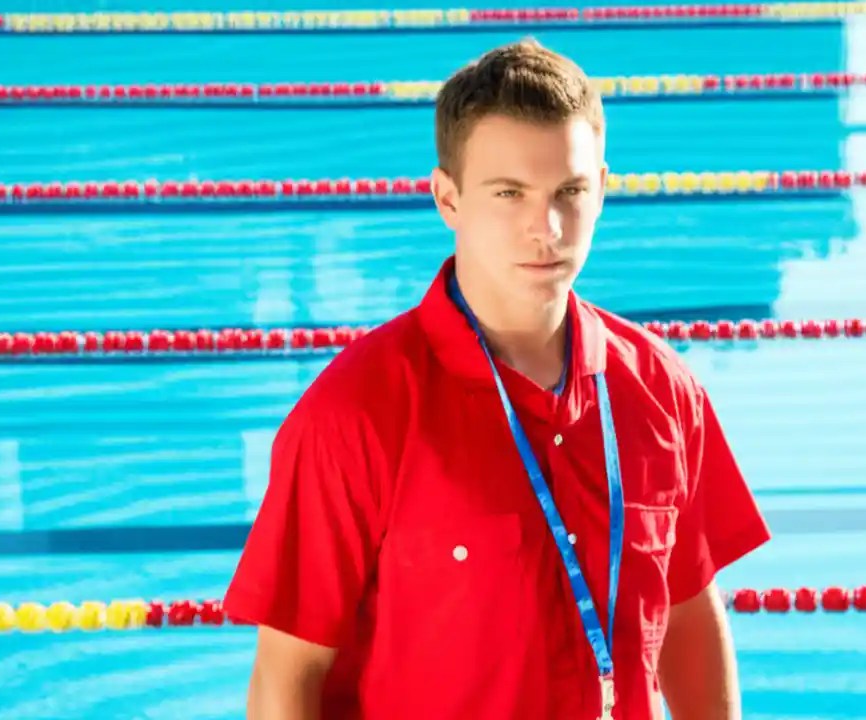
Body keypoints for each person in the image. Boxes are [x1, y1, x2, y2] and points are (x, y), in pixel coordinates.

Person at [223, 38, 771, 720]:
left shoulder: (662, 392)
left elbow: (688, 620)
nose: (546, 229)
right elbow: (288, 675)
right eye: (509, 193)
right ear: (447, 198)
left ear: (601, 187)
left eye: (569, 192)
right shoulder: (356, 413)